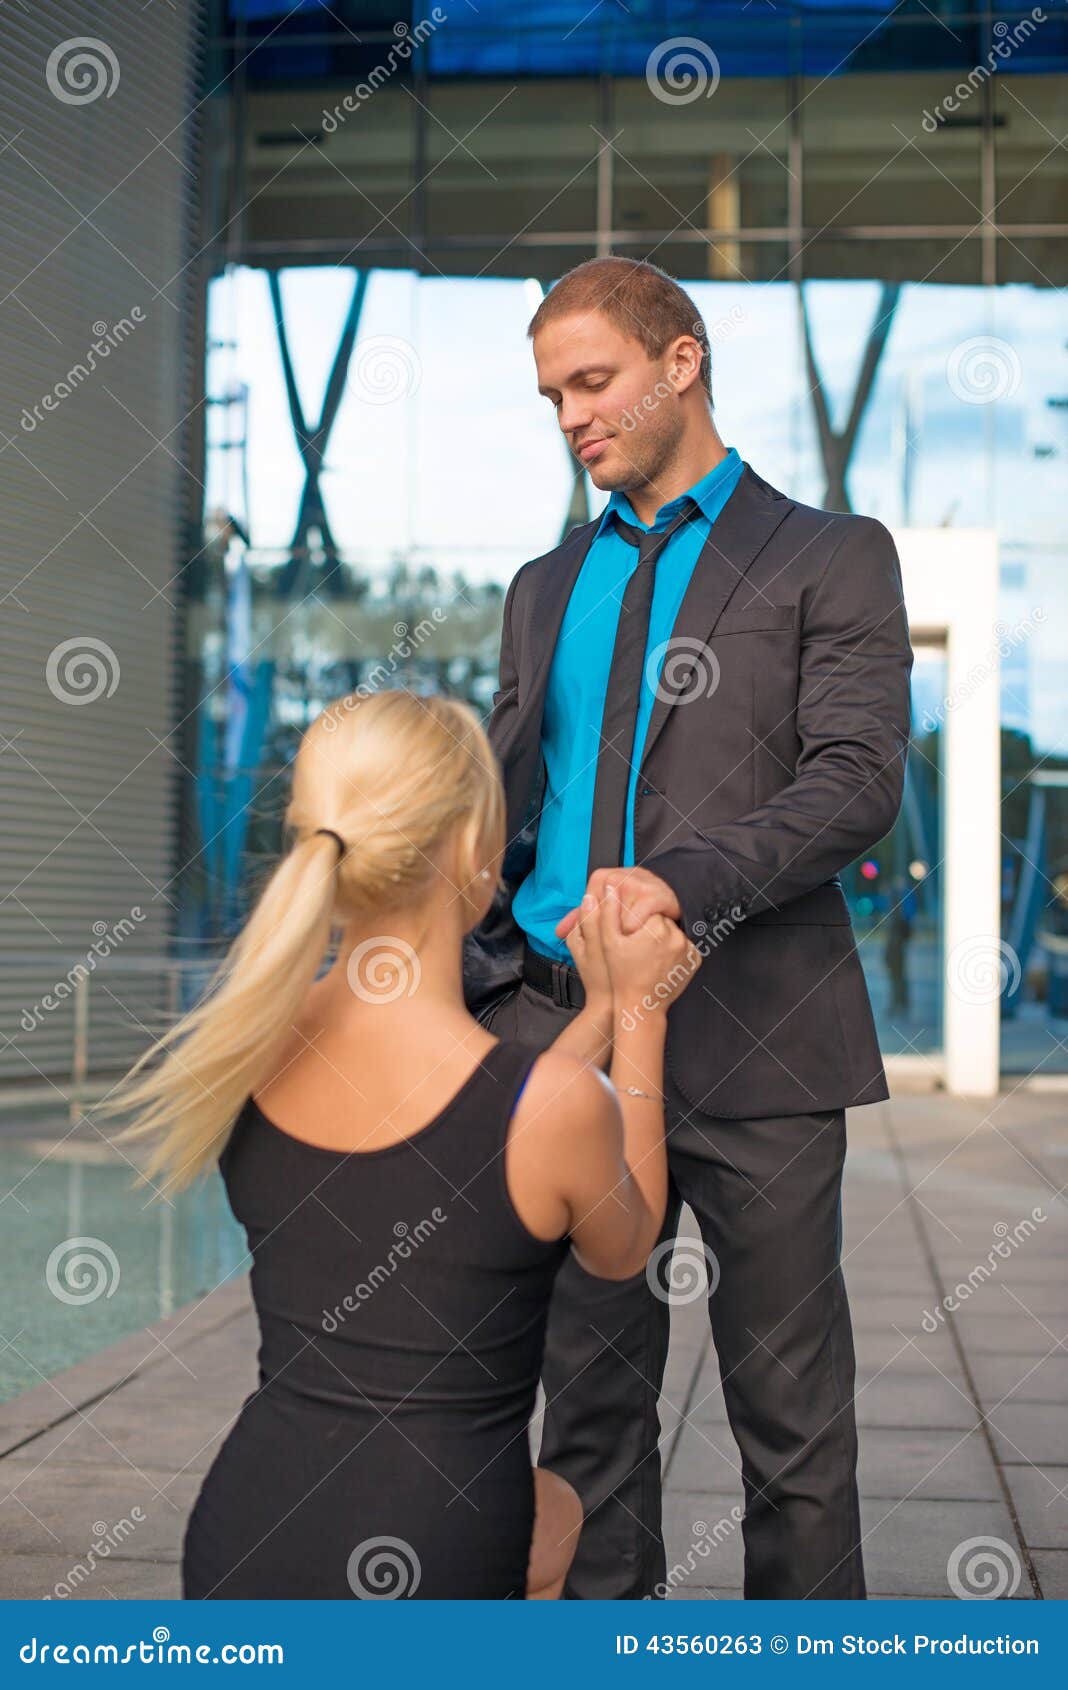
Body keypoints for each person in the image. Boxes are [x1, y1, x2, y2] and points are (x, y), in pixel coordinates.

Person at [463, 256, 914, 1599]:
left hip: (759, 1033)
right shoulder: (545, 584)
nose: (570, 417)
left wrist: (679, 875)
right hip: (566, 1040)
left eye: (591, 382)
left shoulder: (832, 552)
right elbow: (508, 805)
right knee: (587, 1418)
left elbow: (855, 779)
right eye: (550, 396)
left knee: (792, 1422)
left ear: (682, 360)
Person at [99, 688, 701, 1599]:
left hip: (245, 1537)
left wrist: (604, 1011)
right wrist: (645, 1014)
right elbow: (625, 1237)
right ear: (470, 849)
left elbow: (477, 1133)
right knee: (561, 1510)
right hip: (438, 1553)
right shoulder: (548, 1108)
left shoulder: (246, 1042)